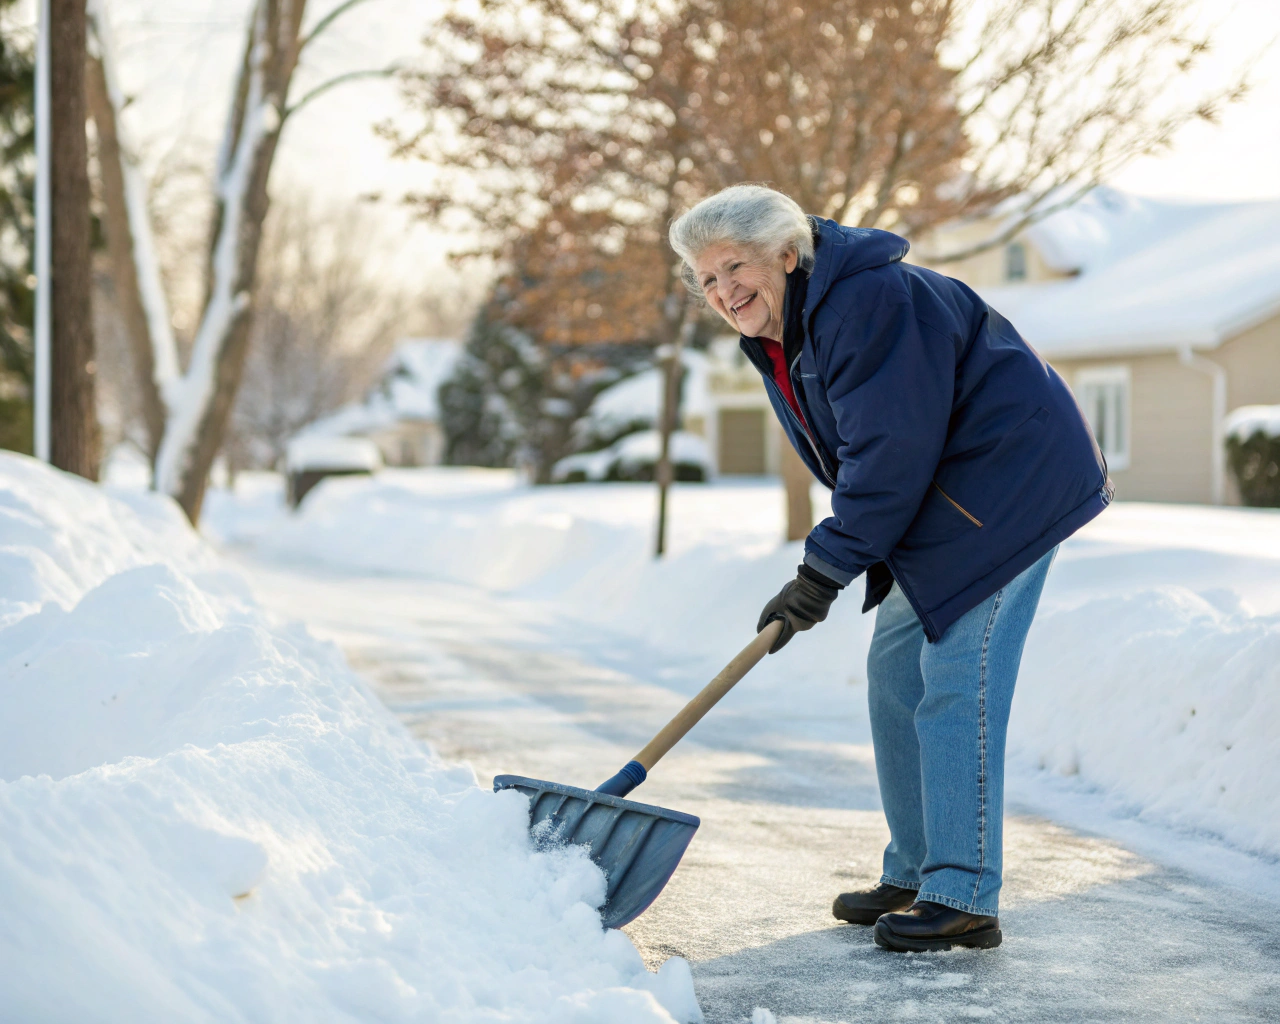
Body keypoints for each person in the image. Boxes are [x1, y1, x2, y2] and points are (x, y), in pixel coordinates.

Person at [668, 184, 1111, 952]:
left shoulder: (863, 303)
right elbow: (870, 459)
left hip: (1007, 493)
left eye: (734, 266)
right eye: (707, 279)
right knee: (894, 679)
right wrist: (836, 561)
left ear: (786, 252)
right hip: (942, 503)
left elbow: (888, 454)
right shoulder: (790, 327)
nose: (723, 291)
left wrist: (823, 571)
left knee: (955, 687)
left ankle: (962, 889)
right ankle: (914, 871)